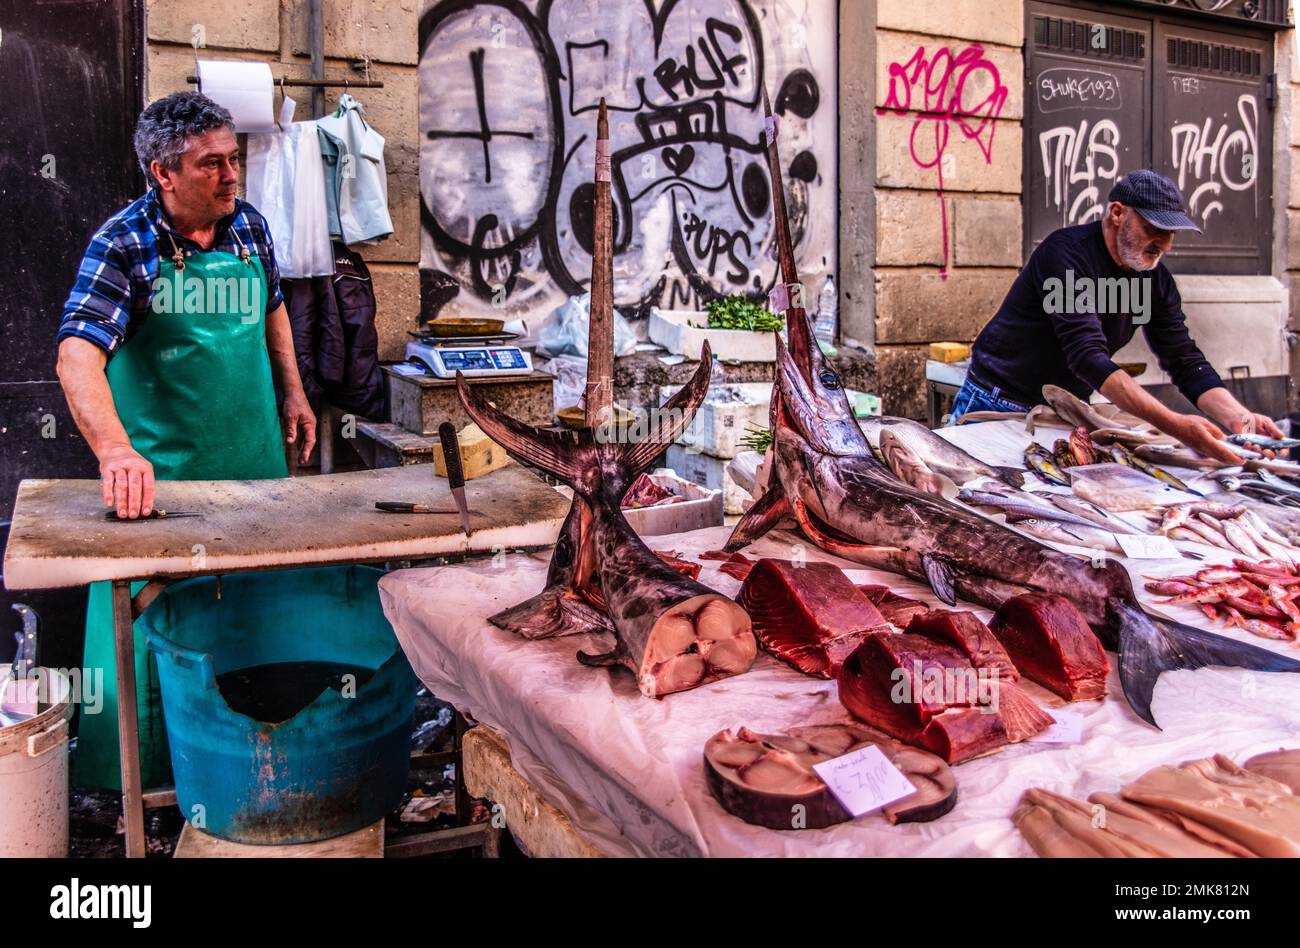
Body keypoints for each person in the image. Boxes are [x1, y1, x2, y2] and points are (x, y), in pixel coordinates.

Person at [56, 92, 317, 789]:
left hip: (256, 468)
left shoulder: (248, 228)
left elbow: (273, 309)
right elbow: (76, 354)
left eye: (235, 160)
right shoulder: (124, 243)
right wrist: (115, 451)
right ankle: (153, 789)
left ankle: (257, 767)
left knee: (258, 626)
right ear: (163, 173)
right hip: (163, 489)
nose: (232, 177)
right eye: (212, 165)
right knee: (159, 639)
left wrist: (293, 391)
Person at [951, 169, 1281, 463]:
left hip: (1066, 409)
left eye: (1172, 233)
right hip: (999, 402)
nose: (1164, 245)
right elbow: (1088, 358)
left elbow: (1184, 358)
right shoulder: (1065, 255)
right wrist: (1175, 424)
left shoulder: (1155, 279)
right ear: (1118, 213)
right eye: (1154, 228)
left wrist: (1240, 418)